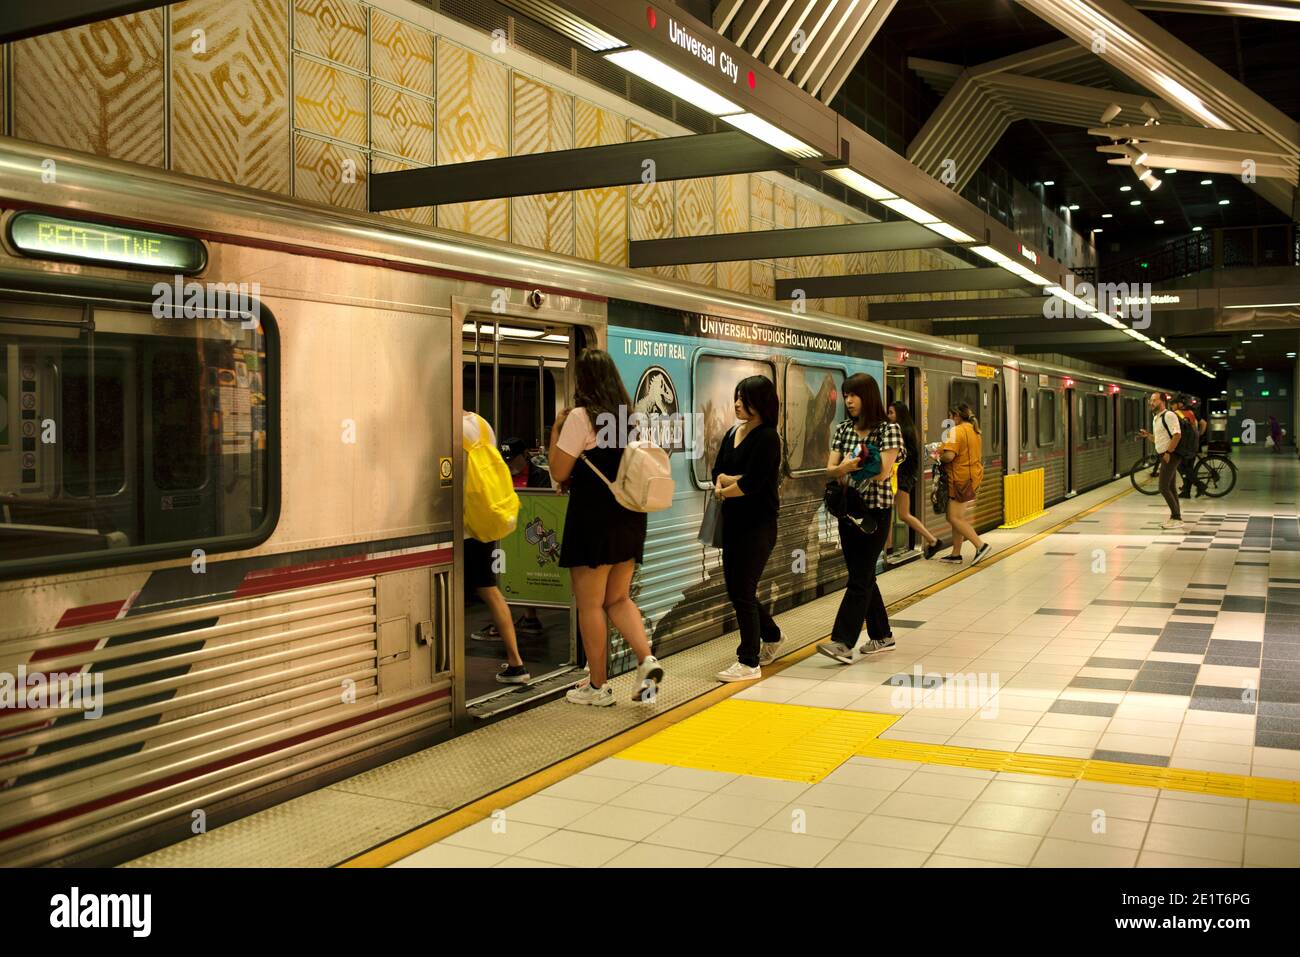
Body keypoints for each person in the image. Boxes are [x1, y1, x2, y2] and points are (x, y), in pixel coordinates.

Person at [547, 349, 663, 706]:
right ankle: (647, 660)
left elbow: (558, 471)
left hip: (593, 521)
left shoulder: (581, 418)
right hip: (628, 517)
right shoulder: (628, 418)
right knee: (618, 598)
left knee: (591, 605)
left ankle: (597, 688)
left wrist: (556, 428)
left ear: (582, 381)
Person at [817, 373, 902, 664]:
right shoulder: (843, 429)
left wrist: (847, 468)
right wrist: (847, 467)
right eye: (845, 395)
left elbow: (883, 473)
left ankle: (843, 642)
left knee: (860, 576)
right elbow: (829, 470)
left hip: (875, 513)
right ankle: (882, 635)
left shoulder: (889, 430)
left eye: (854, 395)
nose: (848, 401)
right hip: (848, 510)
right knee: (861, 575)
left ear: (868, 396)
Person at [712, 376, 784, 682]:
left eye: (744, 399)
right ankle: (773, 636)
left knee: (742, 590)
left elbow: (753, 483)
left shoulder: (768, 438)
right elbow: (719, 470)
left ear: (761, 403)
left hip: (759, 525)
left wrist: (725, 488)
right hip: (733, 523)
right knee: (737, 589)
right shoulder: (733, 432)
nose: (738, 404)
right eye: (737, 397)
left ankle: (749, 660)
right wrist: (723, 481)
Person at [462, 411, 530, 684]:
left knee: (465, 591)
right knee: (489, 588)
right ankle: (516, 662)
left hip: (462, 521)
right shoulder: (480, 422)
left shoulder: (448, 427)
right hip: (486, 517)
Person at [934, 403, 991, 565]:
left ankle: (981, 546)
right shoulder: (975, 431)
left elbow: (949, 457)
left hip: (959, 479)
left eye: (951, 416)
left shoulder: (954, 431)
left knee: (953, 517)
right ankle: (955, 554)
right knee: (956, 517)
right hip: (972, 477)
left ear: (956, 416)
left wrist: (937, 455)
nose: (950, 420)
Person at [888, 401, 941, 559]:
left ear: (899, 414)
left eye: (891, 412)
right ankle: (888, 548)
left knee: (901, 514)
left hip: (901, 478)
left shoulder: (901, 432)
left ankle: (932, 540)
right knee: (895, 513)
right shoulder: (909, 430)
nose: (888, 416)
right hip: (905, 477)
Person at [1138, 392, 1183, 529]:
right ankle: (1175, 517)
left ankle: (1176, 517)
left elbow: (1177, 435)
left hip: (1170, 455)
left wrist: (1169, 452)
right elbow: (1159, 439)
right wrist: (1148, 436)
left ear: (1162, 401)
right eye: (1150, 400)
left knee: (1163, 487)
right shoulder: (1156, 418)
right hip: (1164, 454)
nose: (1151, 403)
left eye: (1154, 400)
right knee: (1171, 488)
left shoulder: (1169, 415)